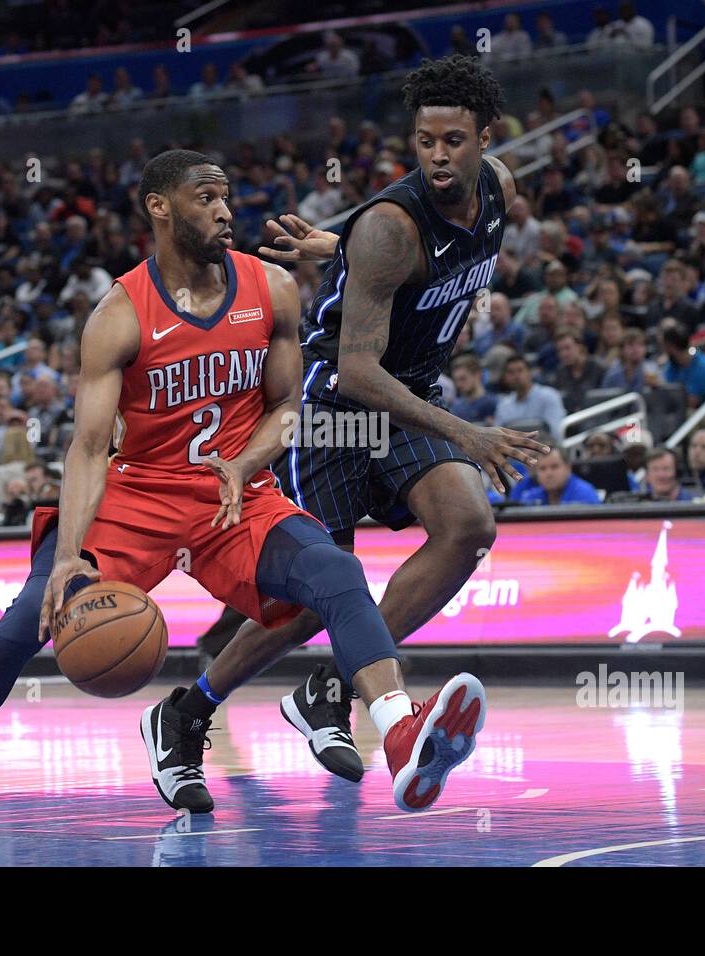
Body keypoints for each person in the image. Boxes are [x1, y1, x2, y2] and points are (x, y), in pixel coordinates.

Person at [0, 150, 489, 850]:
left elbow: (286, 405)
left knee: (337, 572)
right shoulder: (119, 313)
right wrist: (69, 555)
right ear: (159, 206)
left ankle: (400, 730)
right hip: (137, 497)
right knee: (24, 623)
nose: (224, 211)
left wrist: (246, 460)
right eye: (205, 198)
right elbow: (89, 446)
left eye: (227, 198)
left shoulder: (272, 287)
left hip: (234, 495)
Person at [204, 56, 542, 784]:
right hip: (334, 400)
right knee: (315, 598)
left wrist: (339, 247)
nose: (439, 156)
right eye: (426, 142)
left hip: (406, 389)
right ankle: (196, 705)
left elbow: (415, 263)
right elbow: (358, 368)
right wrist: (467, 431)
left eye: (455, 140)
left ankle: (329, 686)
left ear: (487, 138)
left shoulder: (499, 190)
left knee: (469, 527)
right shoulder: (389, 226)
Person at [495, 353, 567, 436]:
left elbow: (555, 433)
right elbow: (499, 437)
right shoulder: (503, 405)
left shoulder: (549, 396)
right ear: (505, 377)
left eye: (520, 370)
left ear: (530, 373)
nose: (516, 376)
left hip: (546, 447)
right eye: (511, 372)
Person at [509, 444, 600, 505]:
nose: (549, 473)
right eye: (542, 468)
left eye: (554, 467)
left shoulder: (585, 494)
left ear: (568, 468)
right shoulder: (529, 497)